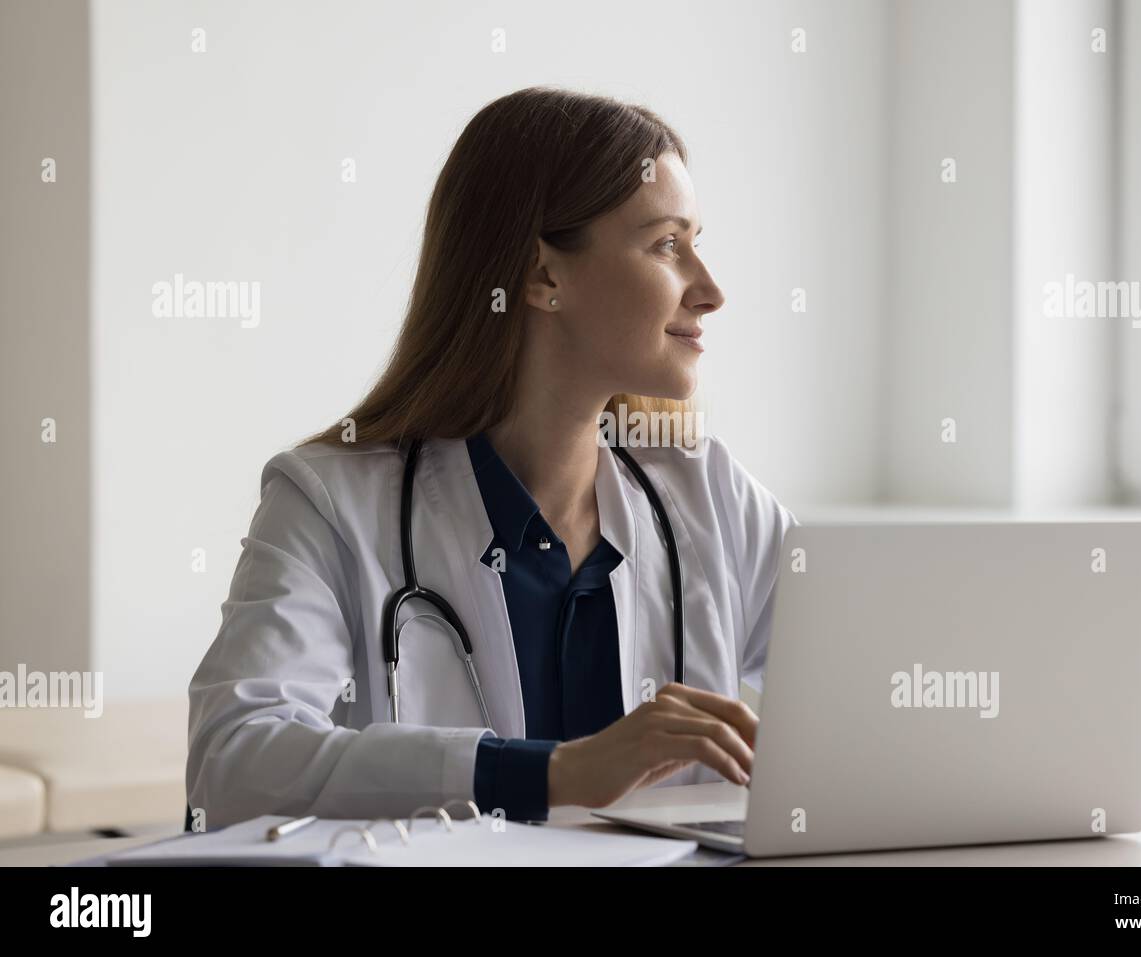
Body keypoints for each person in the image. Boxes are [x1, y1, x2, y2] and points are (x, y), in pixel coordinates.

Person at [186, 86, 796, 829]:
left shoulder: (708, 494)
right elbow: (234, 760)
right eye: (667, 244)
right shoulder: (330, 503)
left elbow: (868, 690)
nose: (710, 289)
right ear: (543, 277)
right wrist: (555, 773)